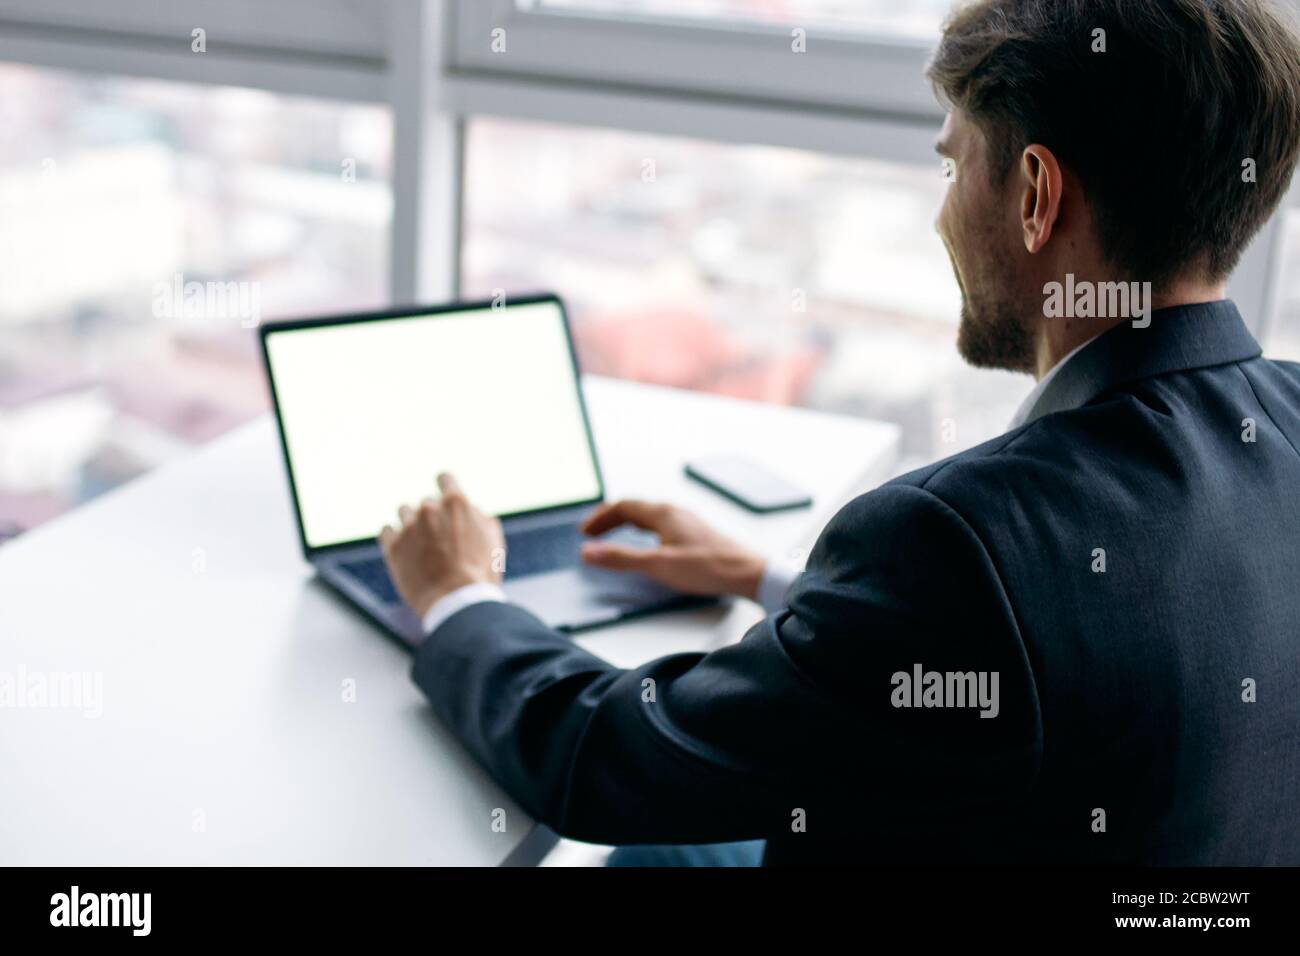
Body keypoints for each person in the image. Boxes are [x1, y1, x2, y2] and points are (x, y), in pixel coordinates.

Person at [379, 0, 1300, 865]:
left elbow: (608, 758)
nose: (942, 214)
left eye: (951, 167)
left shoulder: (954, 544)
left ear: (1036, 196)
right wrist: (772, 582)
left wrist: (457, 596)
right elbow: (1059, 656)